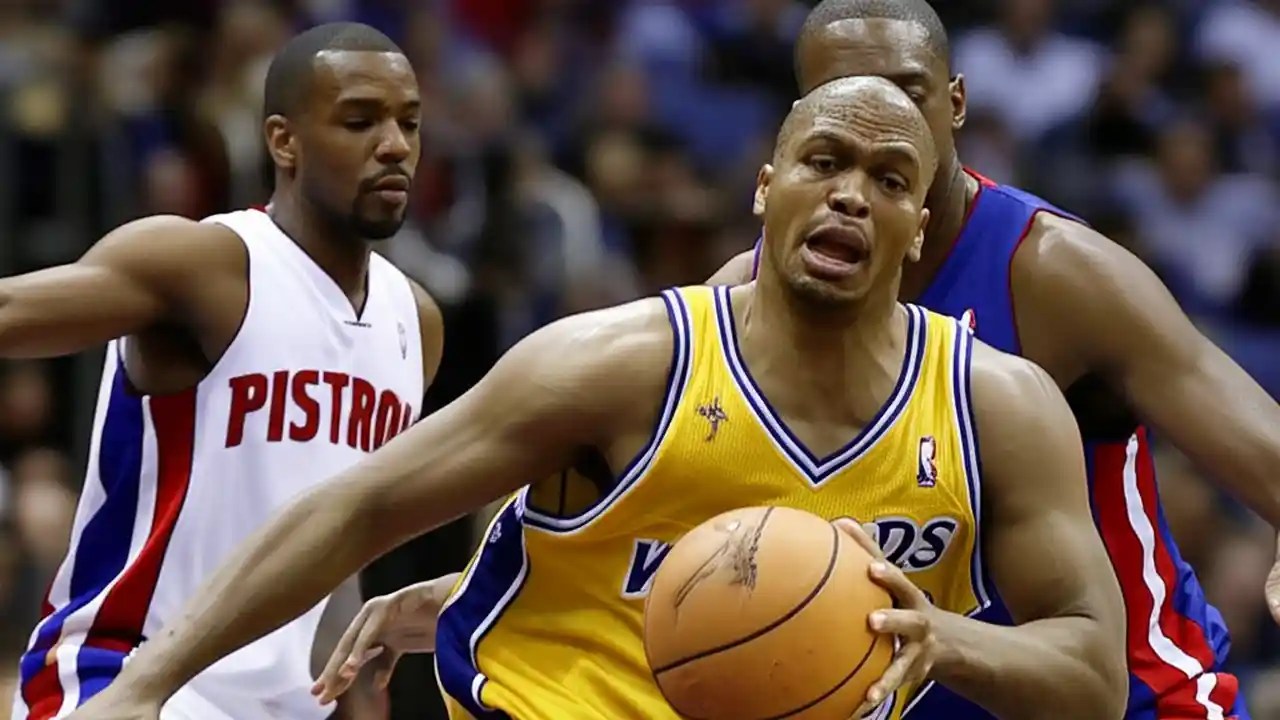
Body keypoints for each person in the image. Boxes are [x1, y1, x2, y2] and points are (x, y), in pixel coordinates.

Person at [65, 77, 1128, 720]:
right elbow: (357, 506)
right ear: (767, 191)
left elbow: (1090, 670)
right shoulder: (620, 363)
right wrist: (147, 683)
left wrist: (945, 640)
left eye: (890, 181)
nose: (851, 192)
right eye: (823, 162)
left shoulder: (998, 407)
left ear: (918, 229)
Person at [700, 1, 1280, 718]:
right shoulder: (741, 299)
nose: (885, 121)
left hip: (1134, 700)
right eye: (851, 96)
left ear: (956, 103)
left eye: (909, 94)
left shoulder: (1057, 276)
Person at [1, 22, 443, 720]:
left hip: (289, 705)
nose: (394, 145)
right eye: (359, 121)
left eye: (409, 123)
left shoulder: (414, 323)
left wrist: (353, 690)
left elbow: (341, 536)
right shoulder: (206, 264)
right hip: (130, 678)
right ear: (282, 141)